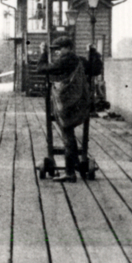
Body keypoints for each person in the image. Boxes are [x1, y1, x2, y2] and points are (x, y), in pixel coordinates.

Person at [37, 36, 90, 182]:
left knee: (68, 136)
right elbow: (96, 68)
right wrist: (92, 52)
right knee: (69, 134)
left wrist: (43, 53)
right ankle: (75, 166)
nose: (58, 52)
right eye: (55, 50)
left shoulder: (67, 59)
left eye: (60, 49)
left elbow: (41, 69)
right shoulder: (79, 60)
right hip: (80, 103)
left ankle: (70, 172)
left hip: (68, 104)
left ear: (68, 48)